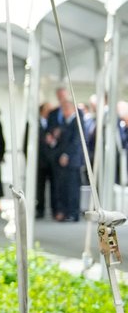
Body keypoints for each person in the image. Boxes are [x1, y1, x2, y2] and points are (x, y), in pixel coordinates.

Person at [51, 86, 89, 221]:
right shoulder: (65, 123)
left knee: (73, 188)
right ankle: (66, 212)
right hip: (64, 161)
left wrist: (66, 155)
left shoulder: (77, 121)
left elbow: (76, 141)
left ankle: (73, 213)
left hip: (73, 161)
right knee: (64, 188)